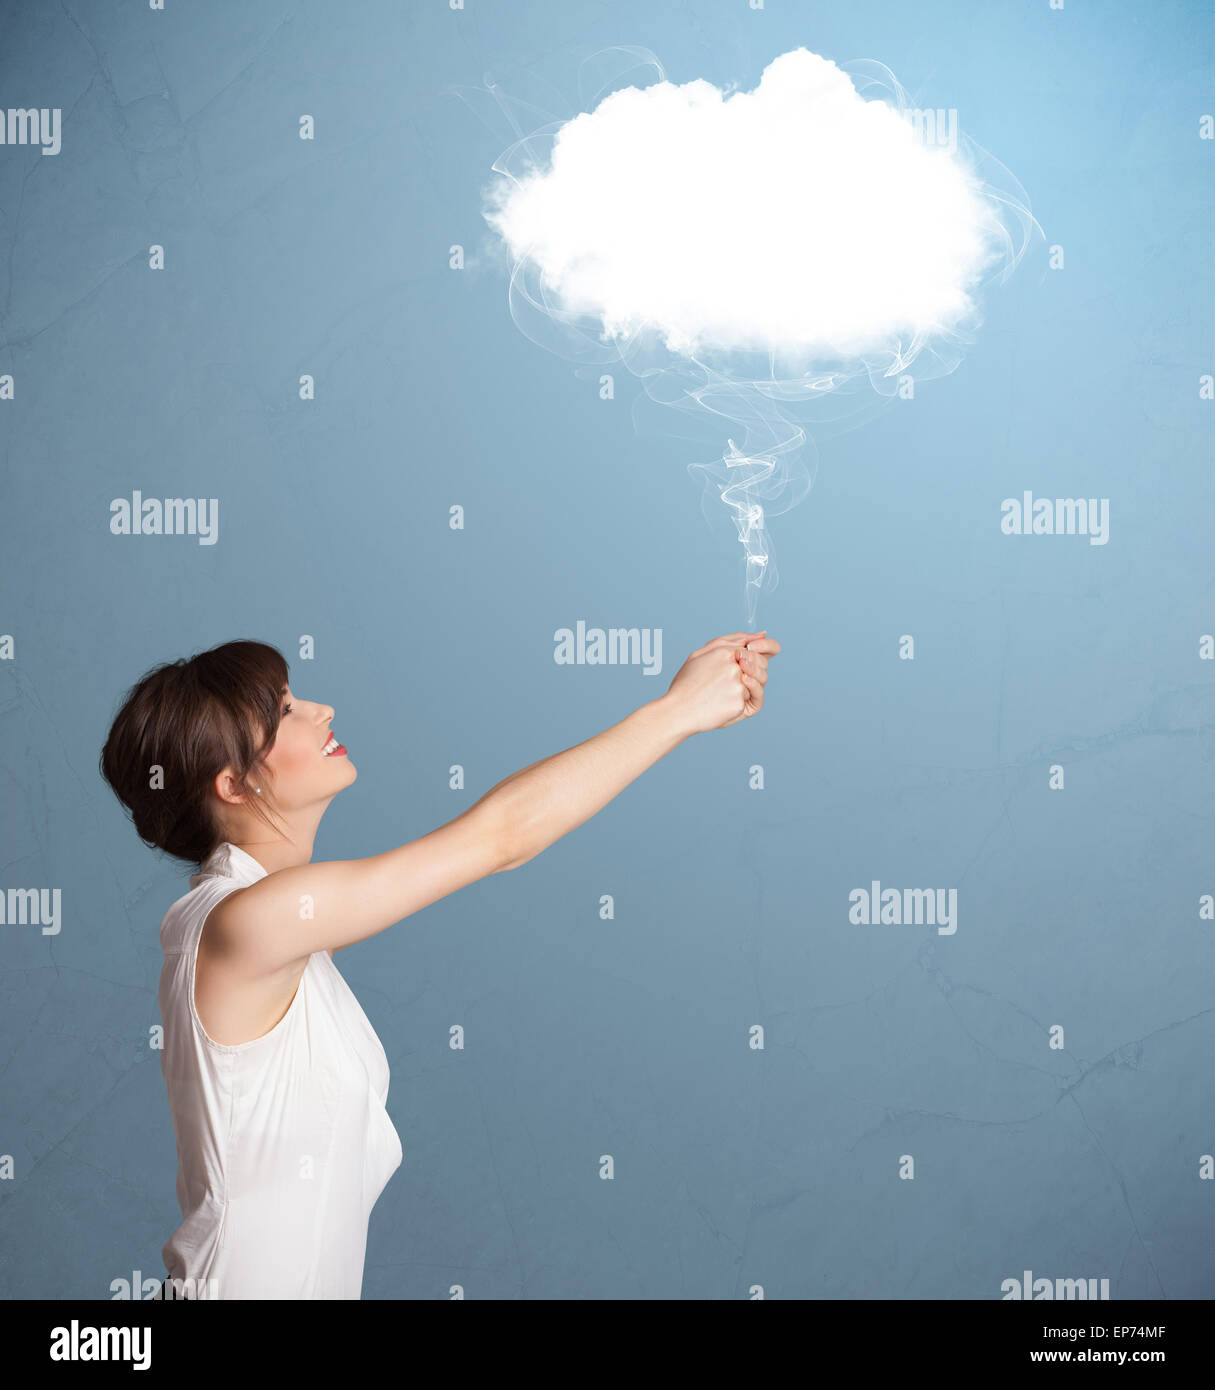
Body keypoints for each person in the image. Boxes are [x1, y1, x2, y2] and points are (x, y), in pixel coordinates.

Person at [99, 628, 780, 1298]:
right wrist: (677, 712)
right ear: (235, 784)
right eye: (283, 711)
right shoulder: (250, 923)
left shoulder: (269, 922)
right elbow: (500, 837)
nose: (320, 710)